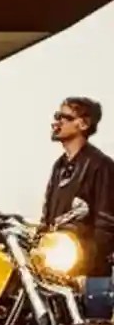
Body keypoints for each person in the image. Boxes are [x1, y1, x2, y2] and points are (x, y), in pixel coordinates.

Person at [43, 97, 114, 278]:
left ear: (82, 124)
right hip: (58, 266)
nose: (55, 123)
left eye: (62, 117)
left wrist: (88, 267)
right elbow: (48, 220)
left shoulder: (102, 165)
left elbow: (106, 225)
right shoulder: (58, 167)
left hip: (86, 272)